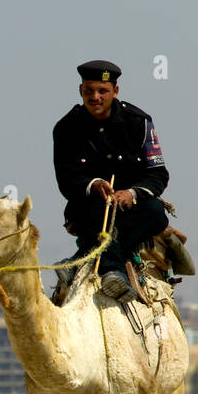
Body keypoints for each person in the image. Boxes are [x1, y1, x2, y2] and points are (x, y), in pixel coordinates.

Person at [52, 60, 171, 304]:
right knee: (95, 214)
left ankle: (85, 259)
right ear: (80, 91)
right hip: (90, 208)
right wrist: (94, 184)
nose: (95, 97)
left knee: (157, 214)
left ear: (115, 91)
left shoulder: (139, 122)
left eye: (102, 91)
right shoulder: (66, 128)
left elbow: (158, 173)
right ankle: (114, 272)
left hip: (133, 208)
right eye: (89, 91)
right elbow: (65, 178)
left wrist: (132, 193)